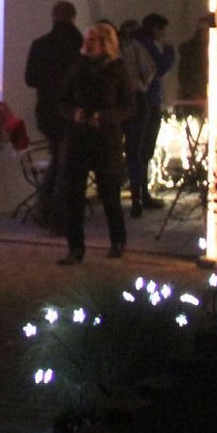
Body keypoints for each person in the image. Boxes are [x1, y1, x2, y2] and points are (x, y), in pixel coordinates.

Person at [53, 22, 137, 264]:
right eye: (87, 39)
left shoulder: (118, 70)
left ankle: (117, 240)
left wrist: (105, 117)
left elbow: (129, 106)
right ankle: (75, 247)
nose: (87, 44)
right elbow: (62, 100)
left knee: (109, 193)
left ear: (105, 44)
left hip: (105, 139)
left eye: (92, 40)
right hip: (78, 139)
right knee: (74, 195)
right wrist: (73, 113)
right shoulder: (77, 68)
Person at [22, 1, 84, 228]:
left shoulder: (40, 44)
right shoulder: (81, 45)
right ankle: (58, 216)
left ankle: (47, 211)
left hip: (47, 110)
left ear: (53, 16)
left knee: (58, 159)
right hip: (74, 112)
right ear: (73, 17)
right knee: (66, 164)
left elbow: (30, 79)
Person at [124, 13, 174, 216]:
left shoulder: (129, 45)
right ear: (154, 28)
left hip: (133, 103)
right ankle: (142, 196)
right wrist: (170, 51)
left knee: (135, 151)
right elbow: (159, 68)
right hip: (148, 102)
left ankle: (139, 196)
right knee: (143, 152)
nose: (163, 34)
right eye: (162, 30)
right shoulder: (146, 45)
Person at [174, 12, 215, 113]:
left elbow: (183, 73)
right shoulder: (191, 50)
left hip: (196, 91)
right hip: (197, 92)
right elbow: (185, 73)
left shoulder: (189, 49)